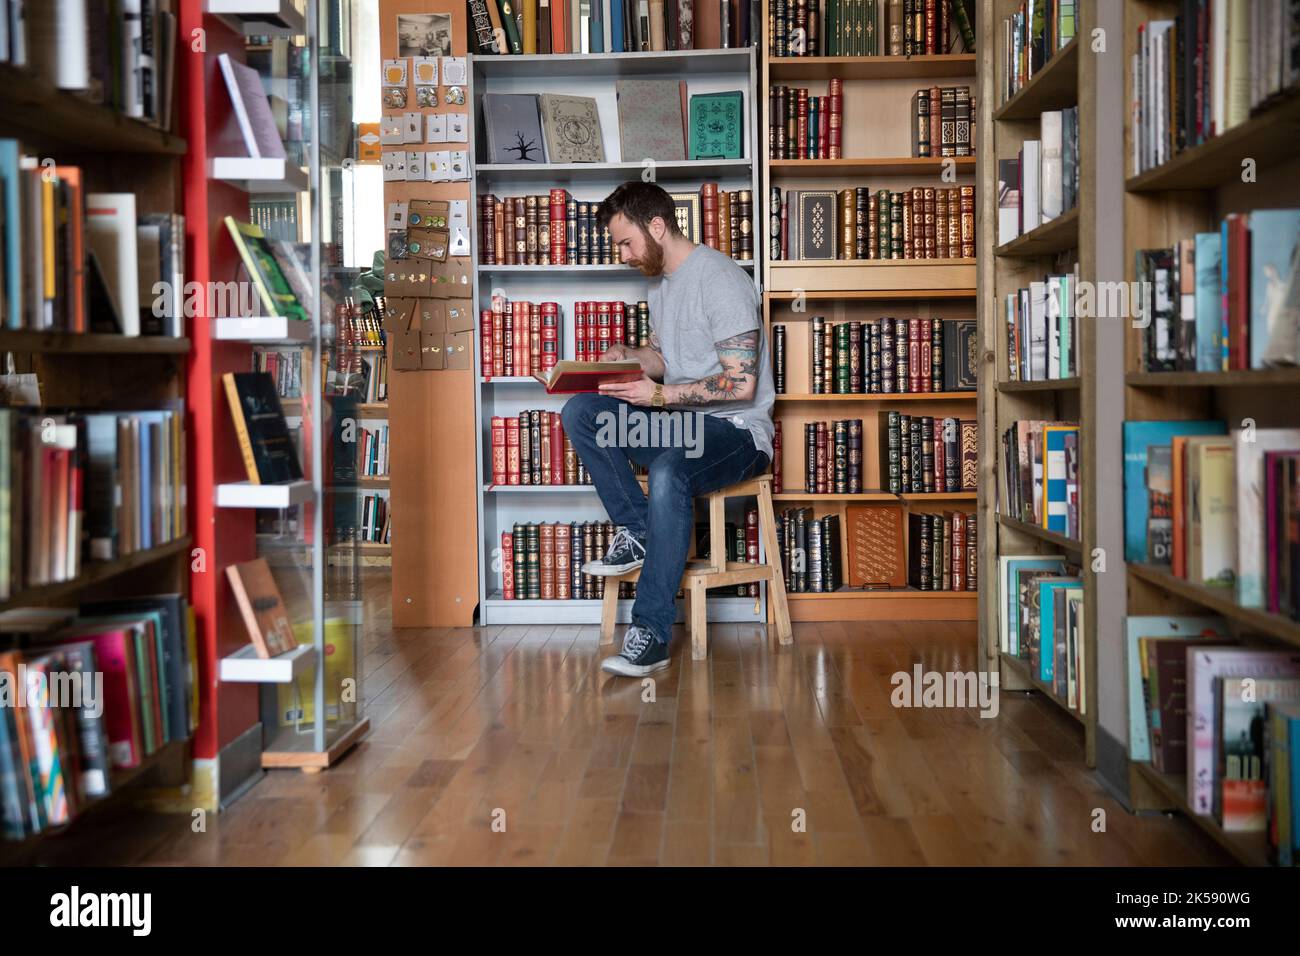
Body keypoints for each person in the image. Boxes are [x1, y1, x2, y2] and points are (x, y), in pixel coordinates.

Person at [560, 182, 775, 677]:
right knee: (582, 413)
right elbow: (665, 358)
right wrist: (630, 357)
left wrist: (659, 398)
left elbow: (740, 383)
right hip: (684, 424)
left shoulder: (720, 279)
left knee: (668, 469)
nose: (623, 255)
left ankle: (651, 634)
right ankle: (636, 528)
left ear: (657, 227)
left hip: (737, 433)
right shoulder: (661, 284)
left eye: (626, 242)